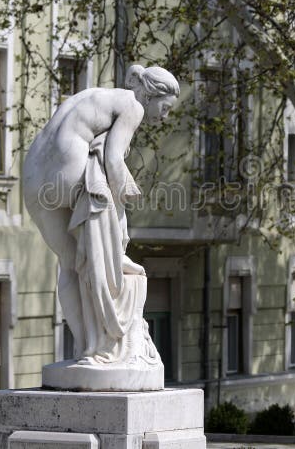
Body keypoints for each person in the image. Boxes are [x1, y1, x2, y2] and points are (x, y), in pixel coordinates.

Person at [23, 65, 179, 366]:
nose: (165, 116)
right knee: (103, 188)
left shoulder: (99, 95)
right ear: (151, 94)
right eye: (166, 108)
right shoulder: (133, 105)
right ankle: (114, 258)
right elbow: (113, 158)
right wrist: (129, 192)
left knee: (69, 265)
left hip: (34, 178)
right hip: (68, 169)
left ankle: (85, 349)